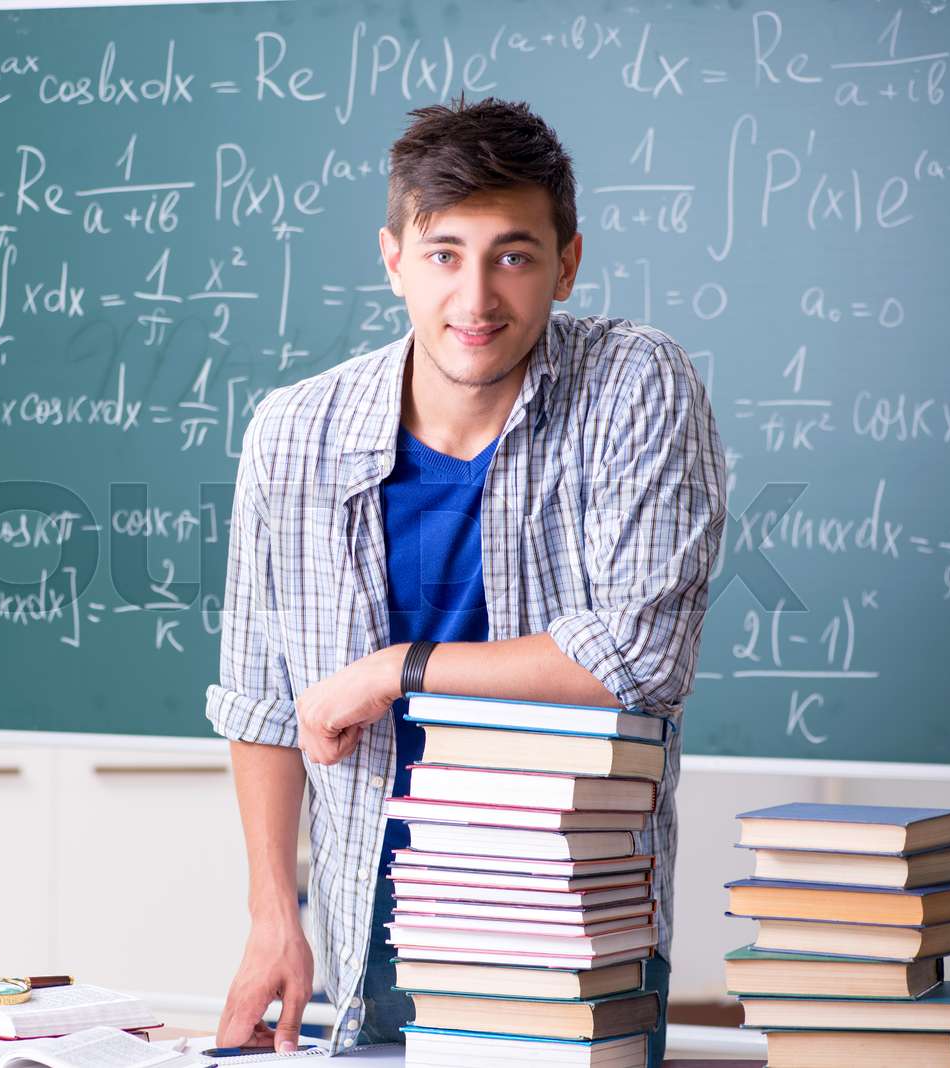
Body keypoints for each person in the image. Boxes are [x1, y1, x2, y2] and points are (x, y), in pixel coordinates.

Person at [204, 96, 727, 1066]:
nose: (476, 298)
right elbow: (262, 699)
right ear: (393, 257)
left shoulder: (635, 386)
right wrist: (274, 914)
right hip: (370, 914)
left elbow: (638, 659)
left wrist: (392, 669)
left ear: (567, 264)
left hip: (569, 927)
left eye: (513, 255)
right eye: (444, 253)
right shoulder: (293, 431)